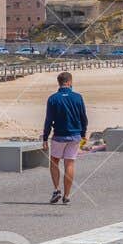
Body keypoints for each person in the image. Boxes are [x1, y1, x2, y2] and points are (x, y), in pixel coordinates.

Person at [41, 71, 87, 205]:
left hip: (59, 135)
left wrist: (45, 137)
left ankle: (56, 190)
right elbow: (83, 118)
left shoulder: (53, 98)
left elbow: (48, 120)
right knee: (70, 163)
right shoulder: (78, 97)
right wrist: (83, 134)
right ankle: (67, 195)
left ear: (59, 83)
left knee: (54, 161)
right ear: (69, 82)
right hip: (75, 135)